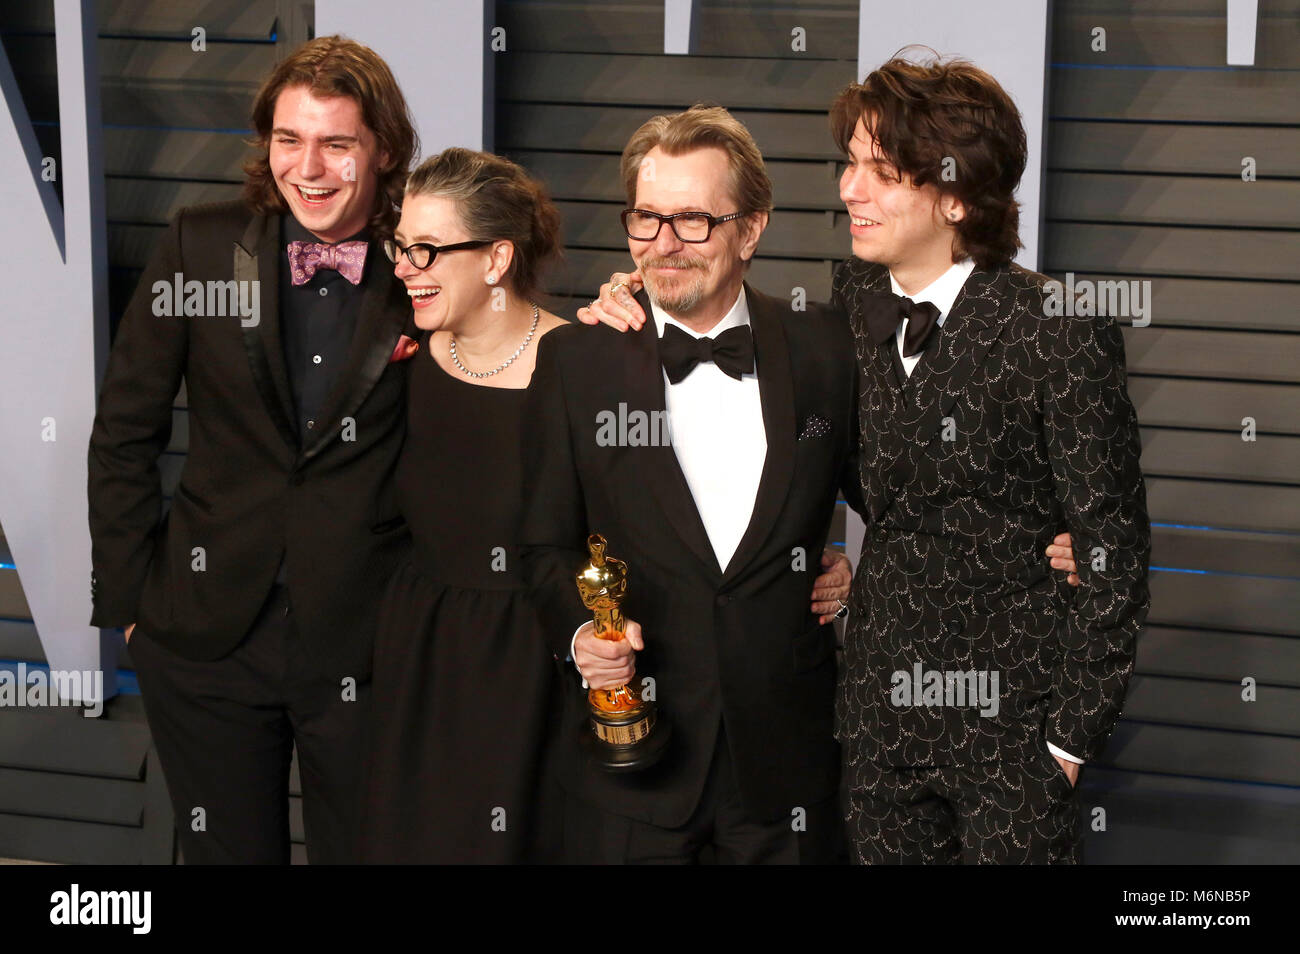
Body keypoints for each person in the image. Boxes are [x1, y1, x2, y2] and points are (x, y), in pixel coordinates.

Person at [520, 105, 888, 864]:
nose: (663, 245)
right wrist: (584, 634)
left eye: (692, 221)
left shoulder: (827, 347)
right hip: (631, 769)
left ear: (750, 230)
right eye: (647, 219)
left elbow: (895, 498)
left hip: (787, 768)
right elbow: (538, 543)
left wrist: (859, 573)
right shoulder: (577, 361)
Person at [87, 36, 419, 864]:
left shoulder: (426, 260)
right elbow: (126, 430)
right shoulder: (199, 243)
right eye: (288, 140)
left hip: (367, 643)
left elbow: (508, 363)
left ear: (382, 149)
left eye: (337, 144)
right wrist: (132, 607)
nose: (308, 168)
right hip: (203, 637)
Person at [826, 55, 1150, 864]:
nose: (849, 190)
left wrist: (1068, 744)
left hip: (1014, 735)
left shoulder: (1058, 324)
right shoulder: (846, 306)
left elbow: (1115, 548)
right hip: (876, 722)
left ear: (956, 194)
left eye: (882, 172)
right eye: (850, 164)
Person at [358, 148, 570, 863]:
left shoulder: (586, 366)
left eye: (426, 249)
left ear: (496, 259)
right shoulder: (404, 353)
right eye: (401, 246)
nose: (404, 266)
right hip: (419, 654)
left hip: (531, 666)